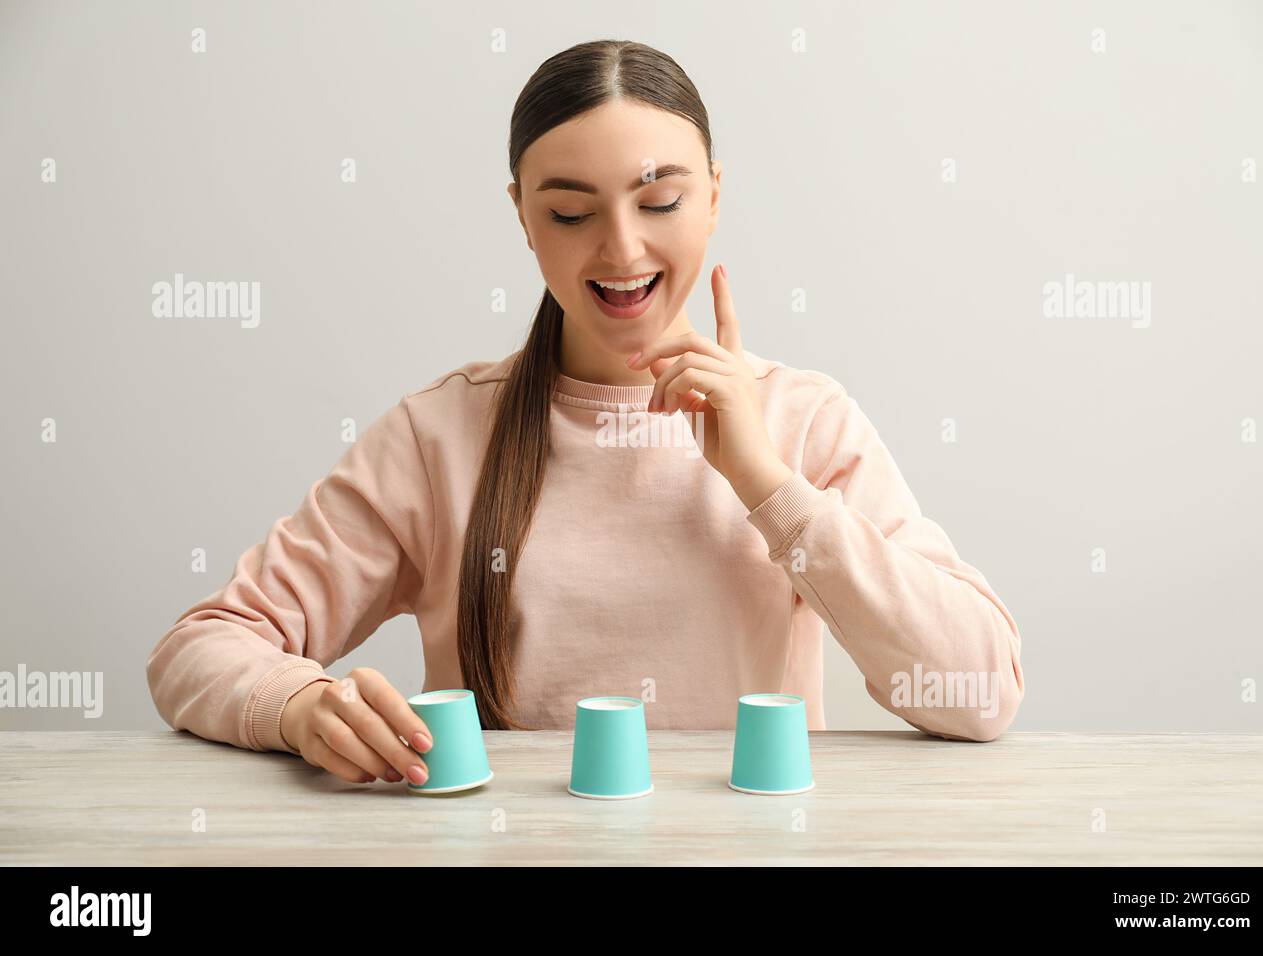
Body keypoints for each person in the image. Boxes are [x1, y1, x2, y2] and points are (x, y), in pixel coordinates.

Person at [147, 39, 1024, 787]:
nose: (621, 249)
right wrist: (301, 706)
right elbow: (199, 648)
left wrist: (766, 484)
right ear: (524, 218)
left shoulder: (802, 420)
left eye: (660, 202)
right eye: (570, 211)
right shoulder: (438, 438)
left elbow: (980, 690)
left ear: (714, 197)